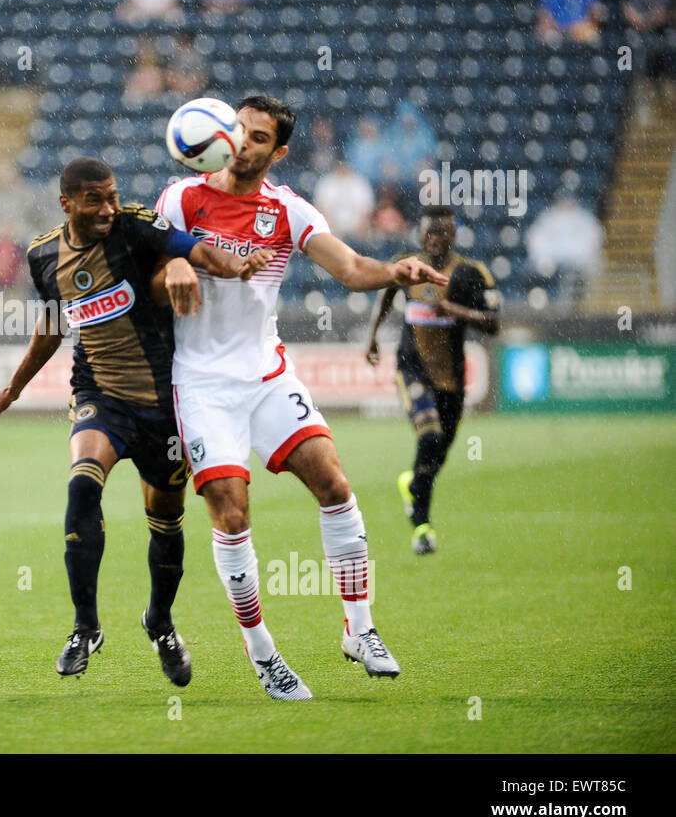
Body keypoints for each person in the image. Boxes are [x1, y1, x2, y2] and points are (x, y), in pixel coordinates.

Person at [153, 96, 447, 699]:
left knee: (335, 485)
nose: (242, 141)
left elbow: (352, 265)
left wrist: (397, 271)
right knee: (232, 514)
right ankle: (262, 652)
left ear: (278, 151)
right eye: (238, 128)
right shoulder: (181, 199)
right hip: (202, 384)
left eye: (258, 137)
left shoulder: (286, 209)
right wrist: (172, 268)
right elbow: (144, 271)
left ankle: (359, 629)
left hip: (266, 375)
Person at [0, 157, 272, 685]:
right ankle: (85, 626)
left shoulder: (136, 225)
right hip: (100, 395)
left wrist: (235, 264)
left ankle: (159, 621)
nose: (107, 209)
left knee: (166, 522)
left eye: (112, 196)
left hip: (163, 403)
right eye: (94, 200)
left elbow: (196, 250)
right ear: (66, 202)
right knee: (82, 485)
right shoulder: (42, 255)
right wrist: (15, 387)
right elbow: (51, 328)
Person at [364, 206, 500, 555]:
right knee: (430, 436)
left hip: (451, 378)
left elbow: (493, 322)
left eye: (443, 233)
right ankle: (421, 527)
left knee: (438, 451)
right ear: (420, 234)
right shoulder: (406, 265)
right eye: (429, 233)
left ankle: (414, 484)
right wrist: (373, 336)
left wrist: (456, 311)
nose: (435, 239)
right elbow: (386, 294)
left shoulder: (471, 274)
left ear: (453, 235)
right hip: (412, 368)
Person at [525, 194, 605, 302]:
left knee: (587, 270)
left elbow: (594, 239)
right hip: (552, 261)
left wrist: (577, 258)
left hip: (579, 261)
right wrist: (546, 258)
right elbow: (535, 239)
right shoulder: (548, 218)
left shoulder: (585, 218)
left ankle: (581, 301)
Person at [536, 0, 604, 45]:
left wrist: (583, 25)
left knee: (591, 34)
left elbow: (597, 12)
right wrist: (560, 27)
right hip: (556, 30)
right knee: (546, 32)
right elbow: (543, 14)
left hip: (581, 29)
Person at [312, 161, 374, 238]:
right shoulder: (325, 183)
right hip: (332, 230)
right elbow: (321, 209)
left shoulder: (361, 183)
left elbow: (366, 212)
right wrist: (329, 229)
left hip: (357, 232)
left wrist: (359, 229)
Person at [122, 38, 166, 103]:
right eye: (144, 53)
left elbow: (155, 92)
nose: (147, 56)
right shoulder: (135, 73)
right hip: (138, 103)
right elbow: (129, 95)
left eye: (149, 53)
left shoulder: (158, 72)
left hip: (154, 103)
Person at [165, 31, 208, 96]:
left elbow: (203, 77)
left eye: (183, 39)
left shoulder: (197, 56)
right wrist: (179, 85)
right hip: (176, 91)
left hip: (194, 91)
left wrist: (189, 86)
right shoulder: (172, 55)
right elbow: (168, 75)